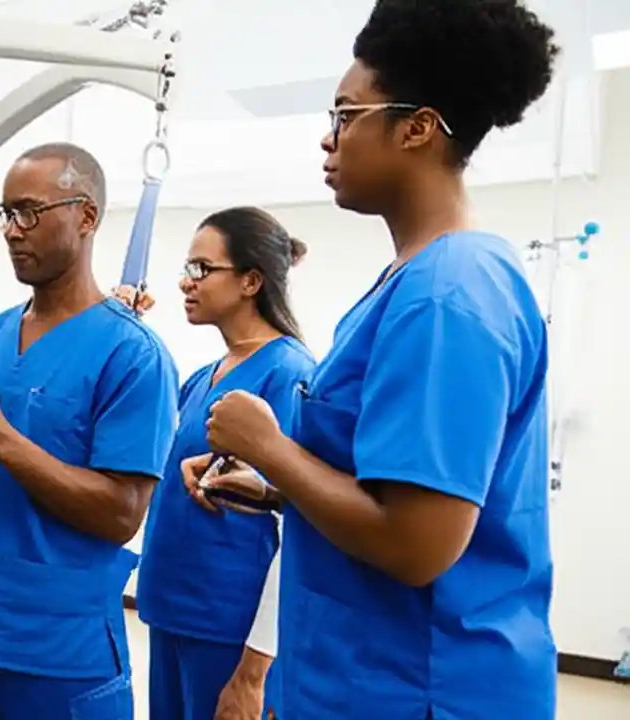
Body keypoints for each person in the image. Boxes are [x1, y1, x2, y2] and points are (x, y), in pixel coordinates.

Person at [194, 2, 560, 718]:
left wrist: (269, 446)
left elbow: (418, 544)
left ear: (417, 127)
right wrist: (274, 485)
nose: (328, 140)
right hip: (364, 674)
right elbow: (388, 489)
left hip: (419, 686)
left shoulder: (449, 296)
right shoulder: (419, 280)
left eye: (346, 116)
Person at [0, 142, 179, 720]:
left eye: (29, 212)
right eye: (5, 215)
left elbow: (121, 513)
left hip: (60, 652)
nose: (13, 231)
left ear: (85, 216)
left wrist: (4, 442)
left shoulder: (133, 354)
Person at [132, 207, 315, 720]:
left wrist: (253, 671)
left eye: (200, 269)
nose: (185, 283)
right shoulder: (202, 379)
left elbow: (301, 532)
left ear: (251, 281)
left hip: (230, 628)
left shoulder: (290, 375)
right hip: (174, 613)